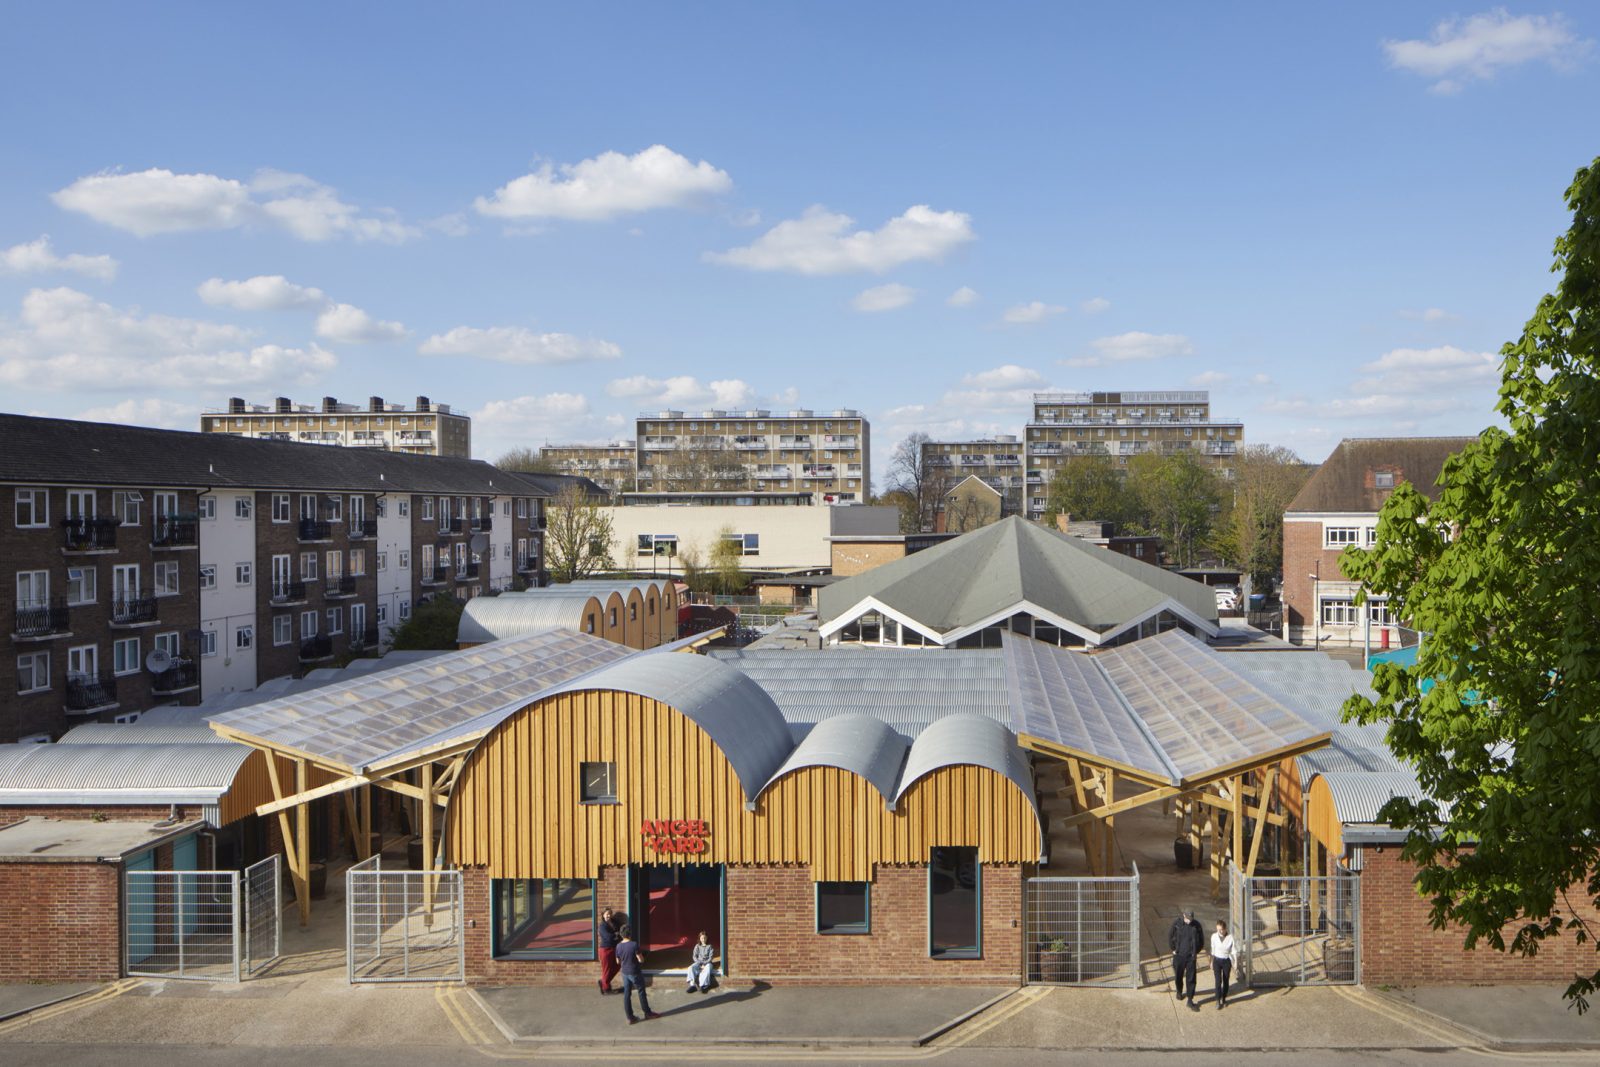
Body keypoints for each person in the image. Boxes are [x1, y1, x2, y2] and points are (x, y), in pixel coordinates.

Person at [615, 925, 660, 1024]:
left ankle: (630, 1017)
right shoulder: (634, 945)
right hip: (634, 972)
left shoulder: (618, 946)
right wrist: (641, 960)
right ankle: (647, 1013)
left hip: (624, 972)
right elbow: (640, 959)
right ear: (630, 934)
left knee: (627, 994)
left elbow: (617, 961)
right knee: (641, 992)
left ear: (622, 935)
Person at [1169, 908, 1205, 1007]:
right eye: (1188, 918)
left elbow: (1201, 941)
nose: (1189, 920)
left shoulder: (1196, 926)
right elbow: (1170, 936)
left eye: (1191, 918)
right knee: (1178, 976)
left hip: (1191, 957)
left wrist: (1195, 952)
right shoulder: (1177, 924)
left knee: (1191, 978)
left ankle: (1190, 998)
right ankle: (1179, 991)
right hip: (1179, 956)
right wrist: (1174, 949)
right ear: (1184, 916)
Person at [1210, 919, 1235, 1010]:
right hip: (1217, 960)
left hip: (1226, 961)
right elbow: (1213, 949)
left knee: (1226, 980)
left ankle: (1224, 998)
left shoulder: (1230, 938)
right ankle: (1217, 1000)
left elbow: (1233, 951)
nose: (1219, 932)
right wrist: (1211, 961)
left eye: (1221, 930)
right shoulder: (1214, 936)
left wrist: (1234, 962)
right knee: (1218, 980)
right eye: (1218, 930)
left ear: (1225, 929)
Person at [597, 907, 620, 995]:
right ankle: (606, 989)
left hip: (614, 948)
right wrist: (615, 935)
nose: (609, 916)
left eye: (610, 914)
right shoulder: (602, 926)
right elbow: (608, 937)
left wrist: (616, 935)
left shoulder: (614, 923)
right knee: (607, 969)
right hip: (605, 950)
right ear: (603, 915)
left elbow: (620, 932)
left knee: (618, 965)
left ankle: (603, 982)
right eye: (607, 914)